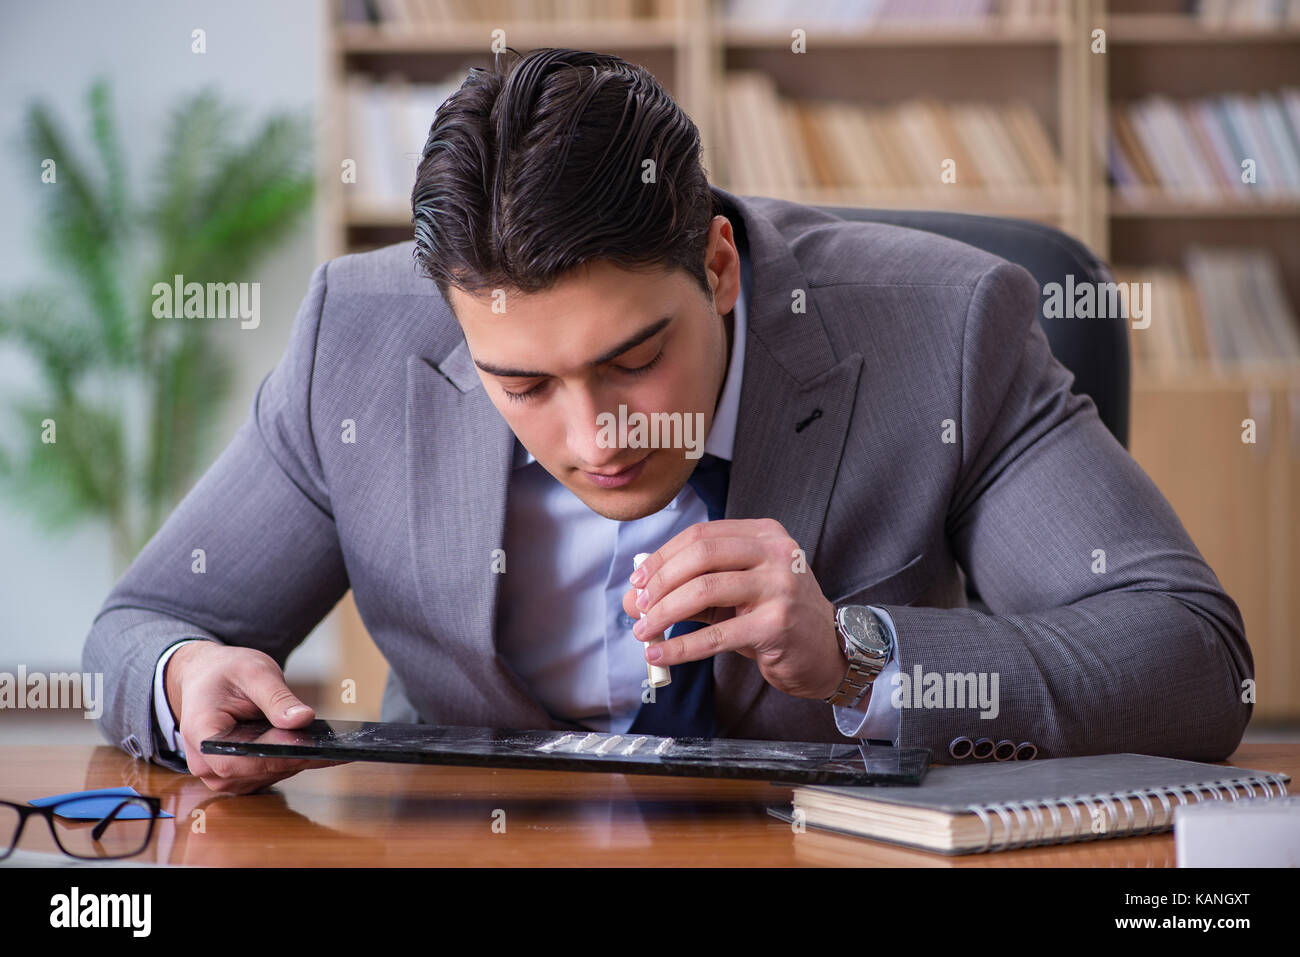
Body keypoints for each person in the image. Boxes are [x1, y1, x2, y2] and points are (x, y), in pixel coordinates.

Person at [83, 48, 1252, 794]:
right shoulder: (360, 335)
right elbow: (146, 621)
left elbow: (1193, 662)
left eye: (634, 358)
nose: (595, 436)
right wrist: (188, 673)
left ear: (720, 264)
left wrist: (860, 658)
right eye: (523, 386)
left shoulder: (944, 329)